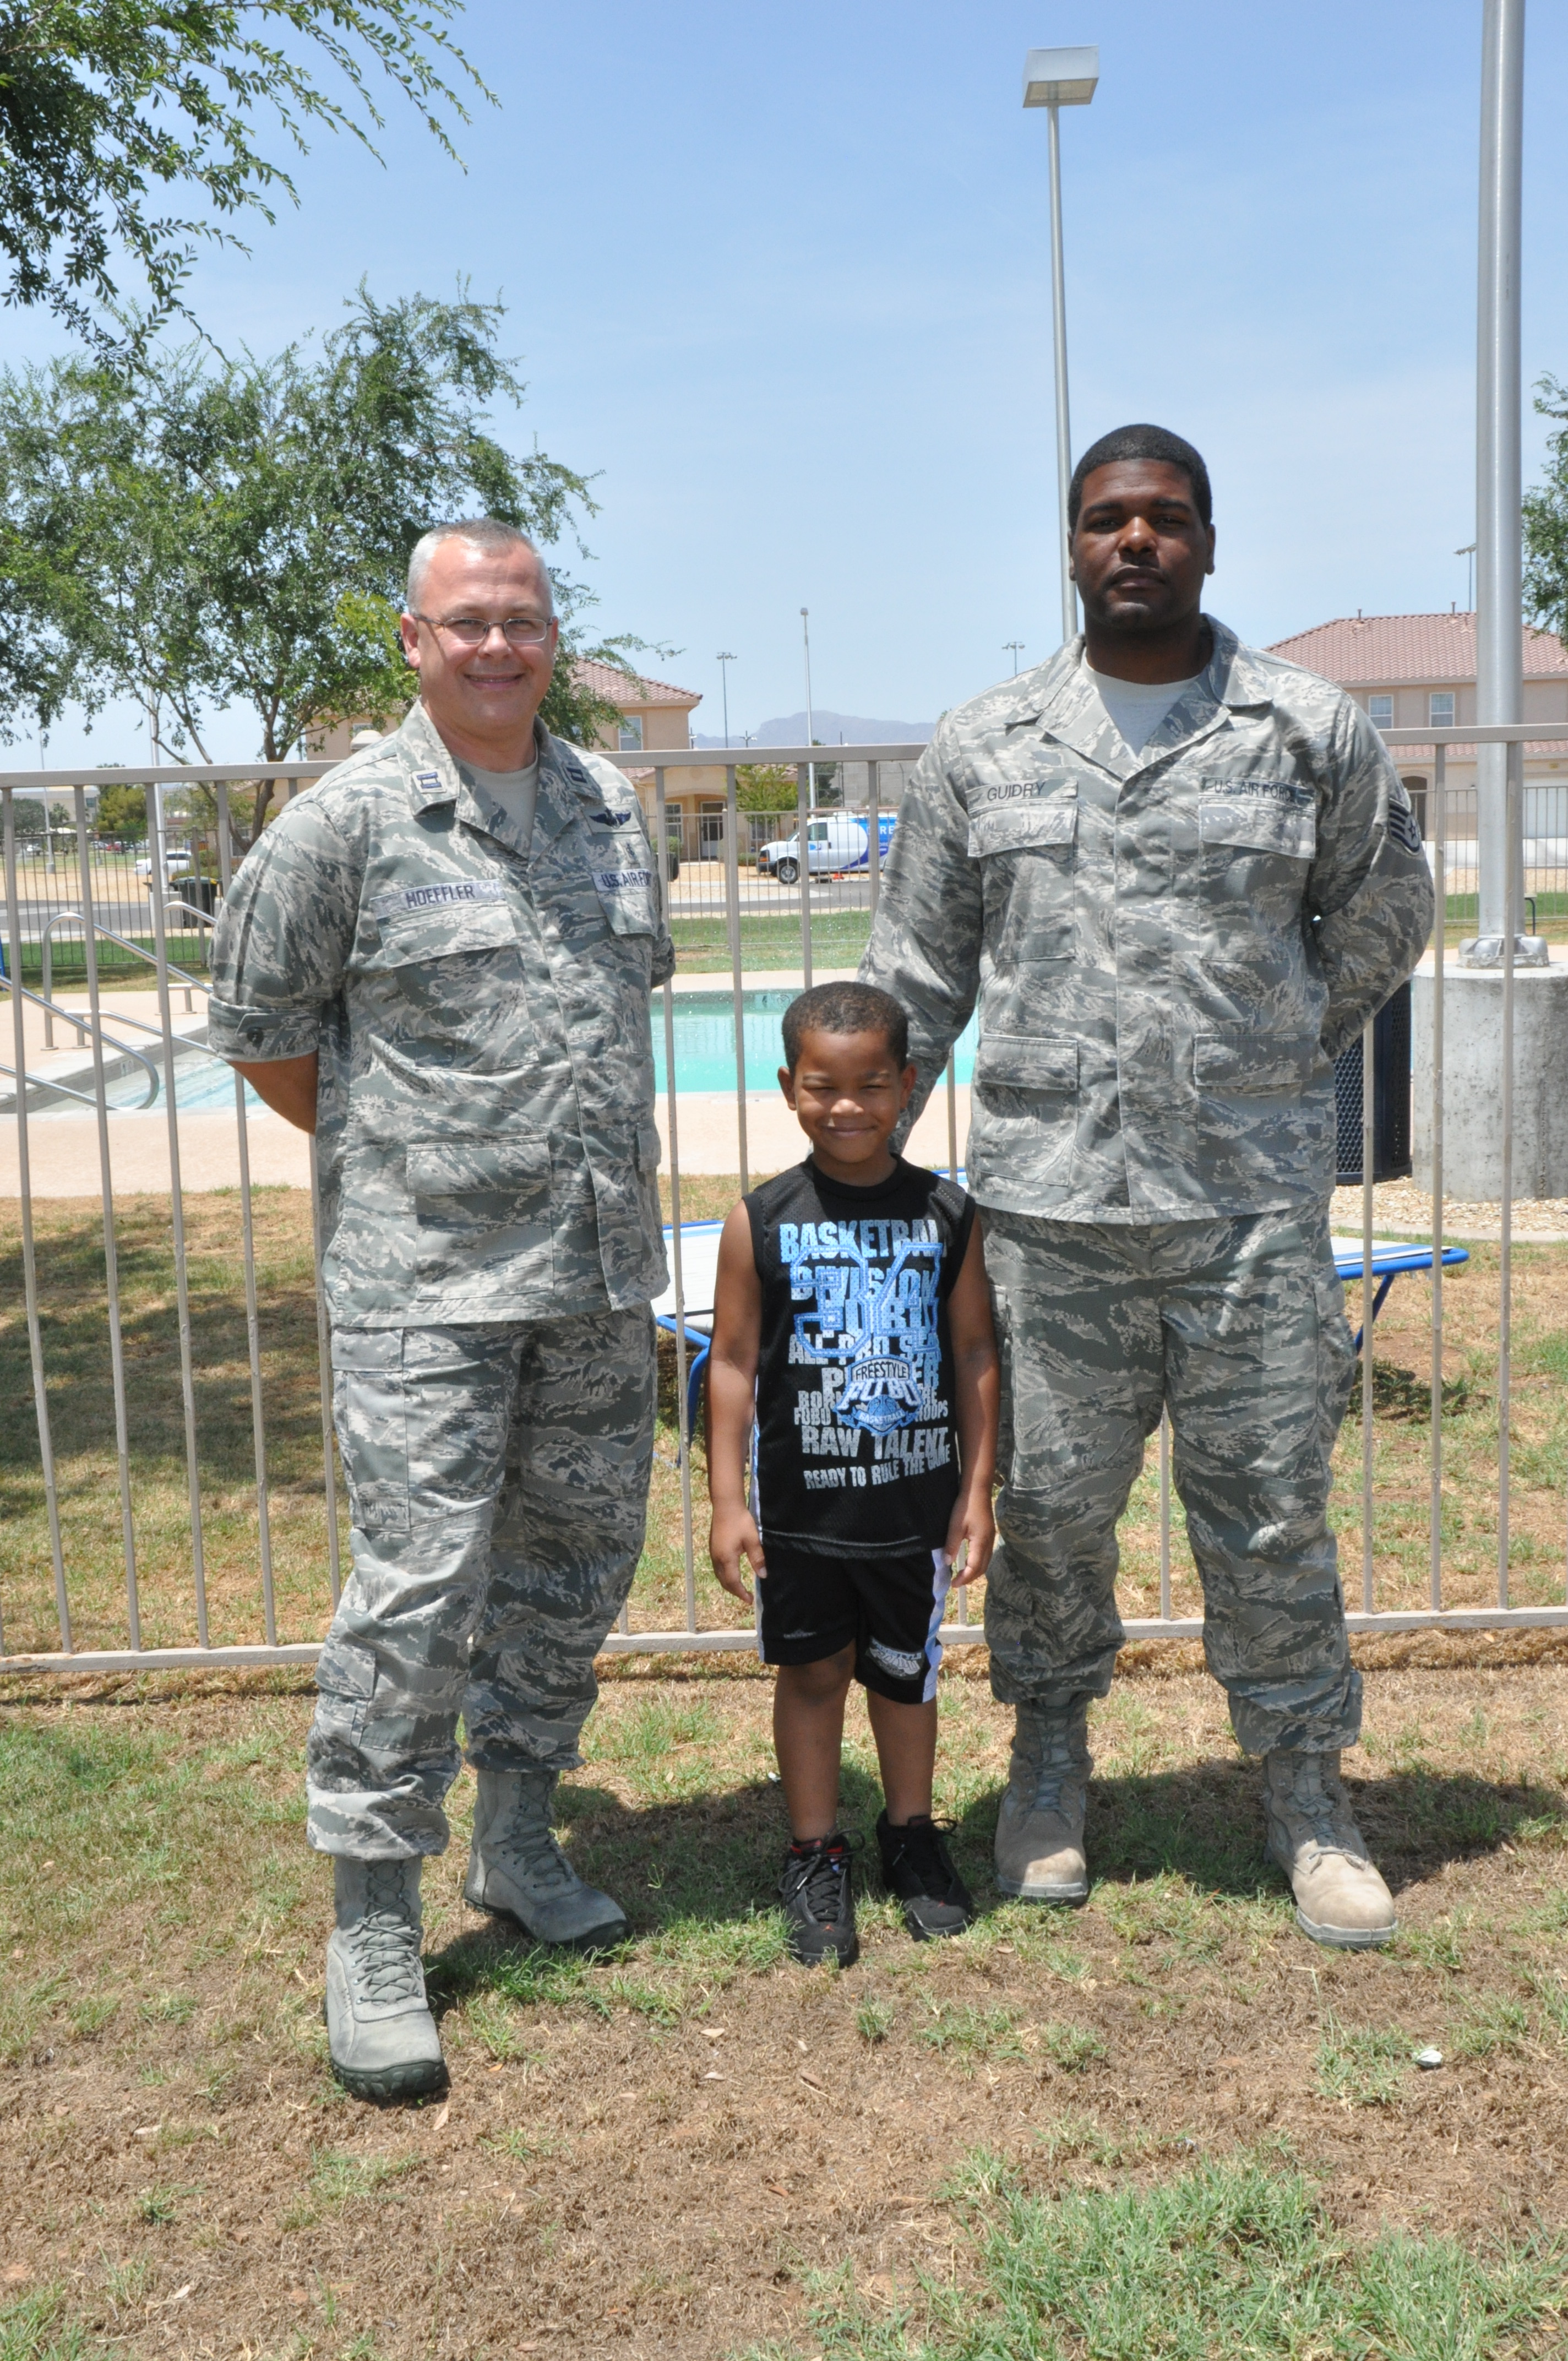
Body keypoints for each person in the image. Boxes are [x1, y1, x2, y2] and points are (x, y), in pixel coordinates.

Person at [861, 424, 1434, 1950]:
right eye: (1107, 517)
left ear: (1208, 543)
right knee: (1049, 1513)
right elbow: (916, 970)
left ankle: (1305, 1792)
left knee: (1269, 1516)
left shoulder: (1304, 728)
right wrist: (865, 1157)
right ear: (1069, 545)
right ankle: (1048, 1766)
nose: (1136, 540)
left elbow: (1386, 908)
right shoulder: (984, 745)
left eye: (1166, 518)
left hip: (1246, 1217)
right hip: (1051, 1223)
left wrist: (1270, 1049)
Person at [209, 518, 672, 2099]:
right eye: (465, 622)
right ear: (412, 641)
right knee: (414, 1597)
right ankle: (374, 1923)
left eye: (521, 620)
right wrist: (420, 1164)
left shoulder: (610, 805)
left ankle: (519, 1840)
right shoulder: (342, 824)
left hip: (596, 1280)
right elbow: (268, 1036)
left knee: (571, 1574)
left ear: (553, 639)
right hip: (426, 1292)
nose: (496, 646)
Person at [706, 980, 999, 1967]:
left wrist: (976, 1491)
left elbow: (974, 1353)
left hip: (913, 1509)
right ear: (788, 1086)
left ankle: (910, 1836)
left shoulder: (948, 1215)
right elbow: (732, 1365)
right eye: (822, 1086)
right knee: (814, 1674)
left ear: (908, 1086)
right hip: (802, 1516)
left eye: (872, 1085)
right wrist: (728, 1501)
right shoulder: (760, 1220)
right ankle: (814, 1853)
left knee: (906, 1675)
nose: (847, 1106)